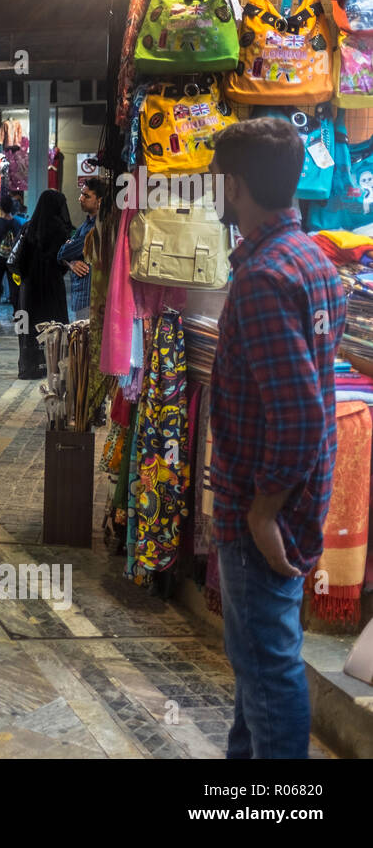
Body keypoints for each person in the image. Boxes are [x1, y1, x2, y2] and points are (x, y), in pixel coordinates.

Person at [209, 117, 346, 759]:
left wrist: (261, 512)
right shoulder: (313, 260)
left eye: (217, 181)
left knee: (270, 672)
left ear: (235, 186)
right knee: (258, 668)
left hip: (262, 511)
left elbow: (297, 413)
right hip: (302, 499)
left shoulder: (263, 277)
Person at [15, 189, 71, 379]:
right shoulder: (60, 230)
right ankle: (54, 365)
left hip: (30, 287)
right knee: (55, 325)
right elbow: (64, 261)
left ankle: (31, 365)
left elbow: (20, 259)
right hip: (52, 286)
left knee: (30, 325)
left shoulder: (29, 227)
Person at [58, 178, 104, 321]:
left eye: (86, 196)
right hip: (83, 294)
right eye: (81, 194)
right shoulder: (86, 225)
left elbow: (64, 252)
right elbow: (62, 253)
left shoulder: (97, 227)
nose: (80, 199)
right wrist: (71, 263)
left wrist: (68, 251)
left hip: (91, 297)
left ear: (100, 201)